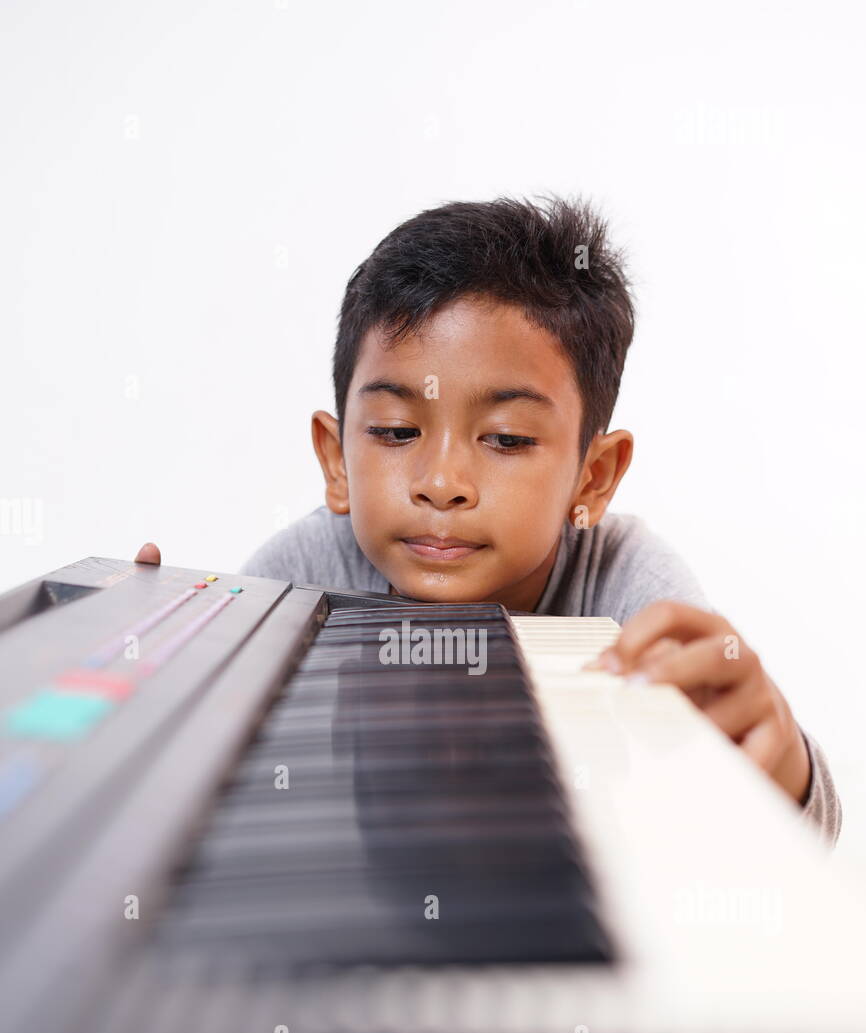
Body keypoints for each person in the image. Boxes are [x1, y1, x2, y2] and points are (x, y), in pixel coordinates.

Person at [135, 196, 841, 844]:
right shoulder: (300, 575)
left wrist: (777, 766)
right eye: (396, 431)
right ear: (337, 460)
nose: (442, 485)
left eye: (506, 439)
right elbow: (206, 771)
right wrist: (156, 681)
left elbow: (789, 827)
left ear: (592, 478)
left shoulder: (628, 586)